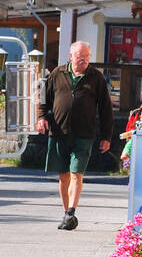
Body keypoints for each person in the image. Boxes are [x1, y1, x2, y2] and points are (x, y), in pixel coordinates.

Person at [35, 40, 111, 230]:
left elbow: (106, 110)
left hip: (84, 134)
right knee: (63, 175)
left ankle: (71, 212)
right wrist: (41, 117)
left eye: (87, 57)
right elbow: (44, 98)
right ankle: (66, 213)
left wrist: (106, 136)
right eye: (80, 57)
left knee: (77, 173)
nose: (83, 61)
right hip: (60, 131)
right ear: (71, 57)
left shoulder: (96, 78)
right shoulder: (57, 73)